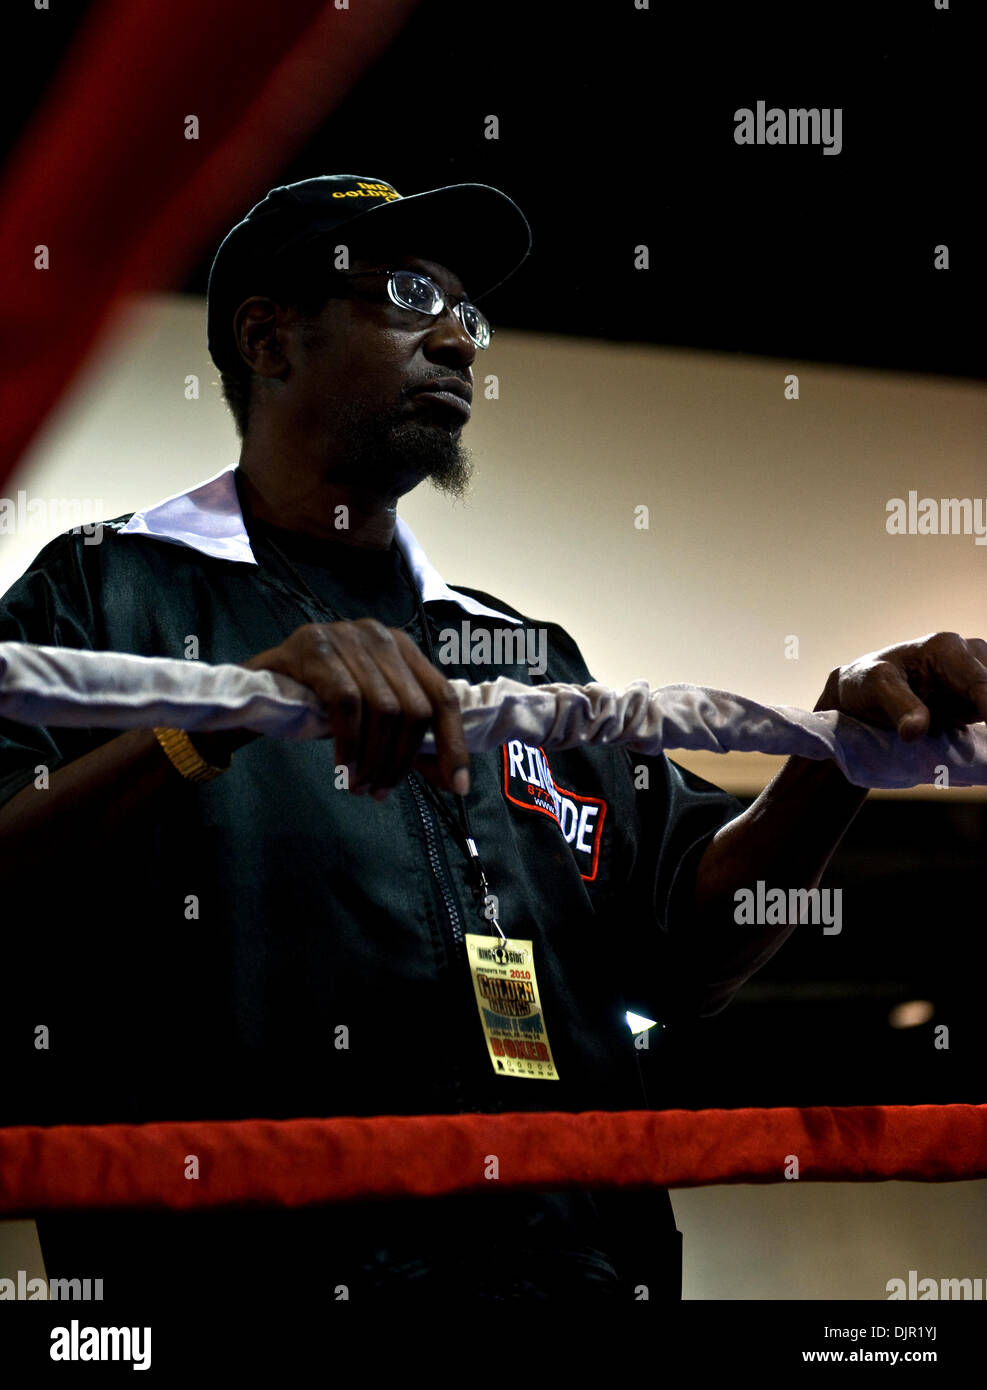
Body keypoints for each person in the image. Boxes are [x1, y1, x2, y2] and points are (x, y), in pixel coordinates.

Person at [1, 174, 985, 1307]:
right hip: (250, 1290)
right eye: (411, 295)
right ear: (269, 337)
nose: (457, 343)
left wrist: (839, 760)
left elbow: (683, 954)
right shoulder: (99, 593)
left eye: (470, 317)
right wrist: (215, 718)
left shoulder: (526, 655)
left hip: (573, 1279)